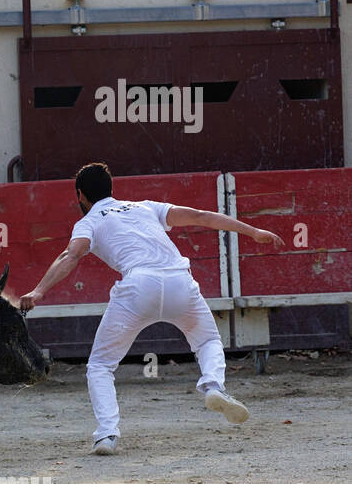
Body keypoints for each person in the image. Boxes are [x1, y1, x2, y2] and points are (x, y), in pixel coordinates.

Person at [18, 162, 282, 456]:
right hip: (180, 281)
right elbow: (200, 216)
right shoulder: (144, 207)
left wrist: (39, 290)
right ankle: (213, 387)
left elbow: (72, 254)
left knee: (101, 366)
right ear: (111, 187)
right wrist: (253, 230)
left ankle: (106, 435)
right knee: (207, 341)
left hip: (138, 287)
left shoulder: (89, 222)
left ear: (80, 195)